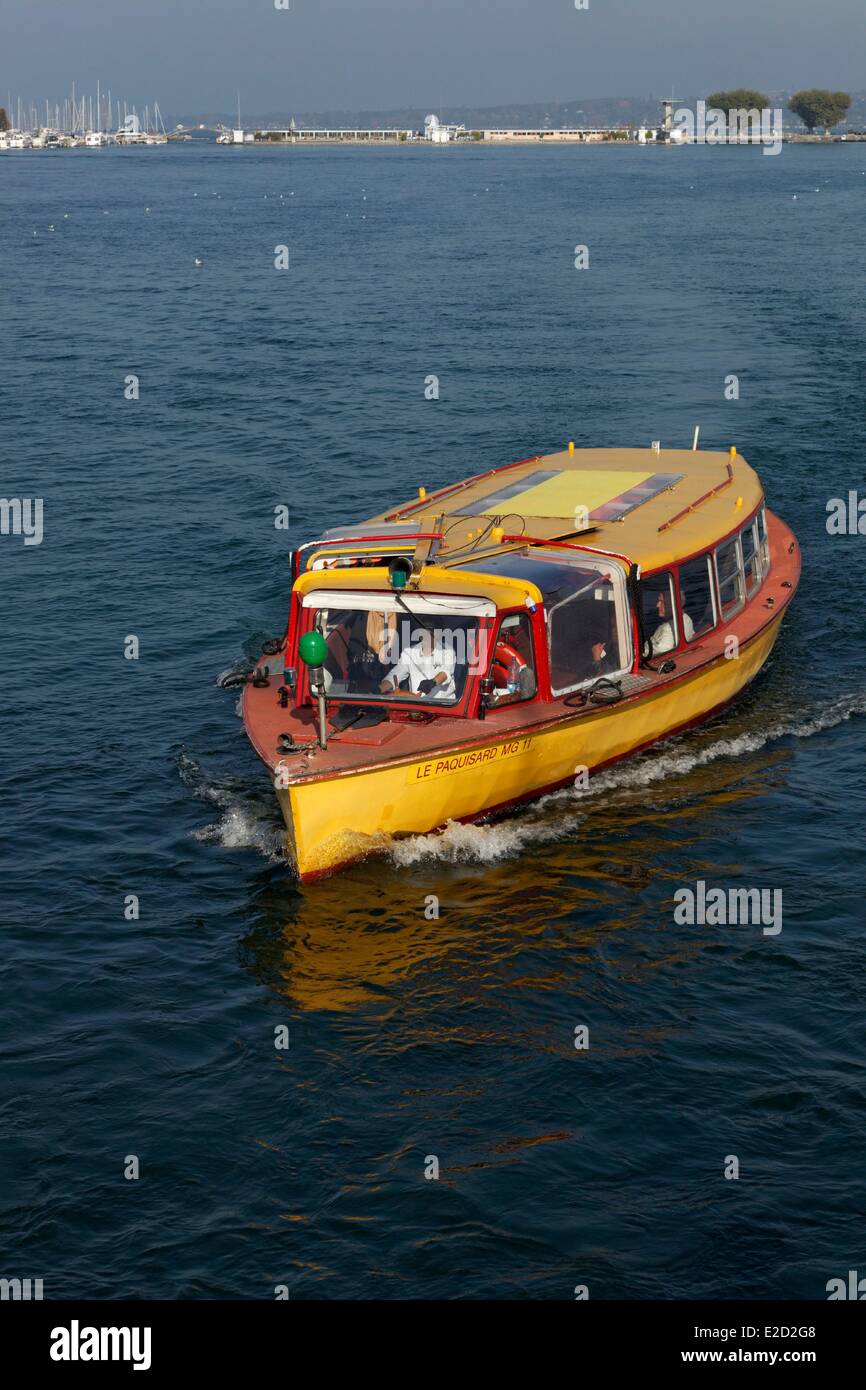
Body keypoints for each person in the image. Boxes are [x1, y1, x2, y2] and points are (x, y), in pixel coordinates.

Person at [380, 628, 456, 700]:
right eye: (424, 629)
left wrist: (433, 682)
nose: (428, 633)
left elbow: (445, 673)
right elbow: (396, 673)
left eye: (431, 629)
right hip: (416, 707)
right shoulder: (409, 652)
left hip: (443, 707)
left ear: (438, 633)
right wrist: (379, 689)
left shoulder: (448, 651)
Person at [650, 589, 693, 654]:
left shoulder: (669, 629)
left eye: (661, 602)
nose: (657, 605)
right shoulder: (686, 618)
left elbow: (661, 651)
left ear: (671, 605)